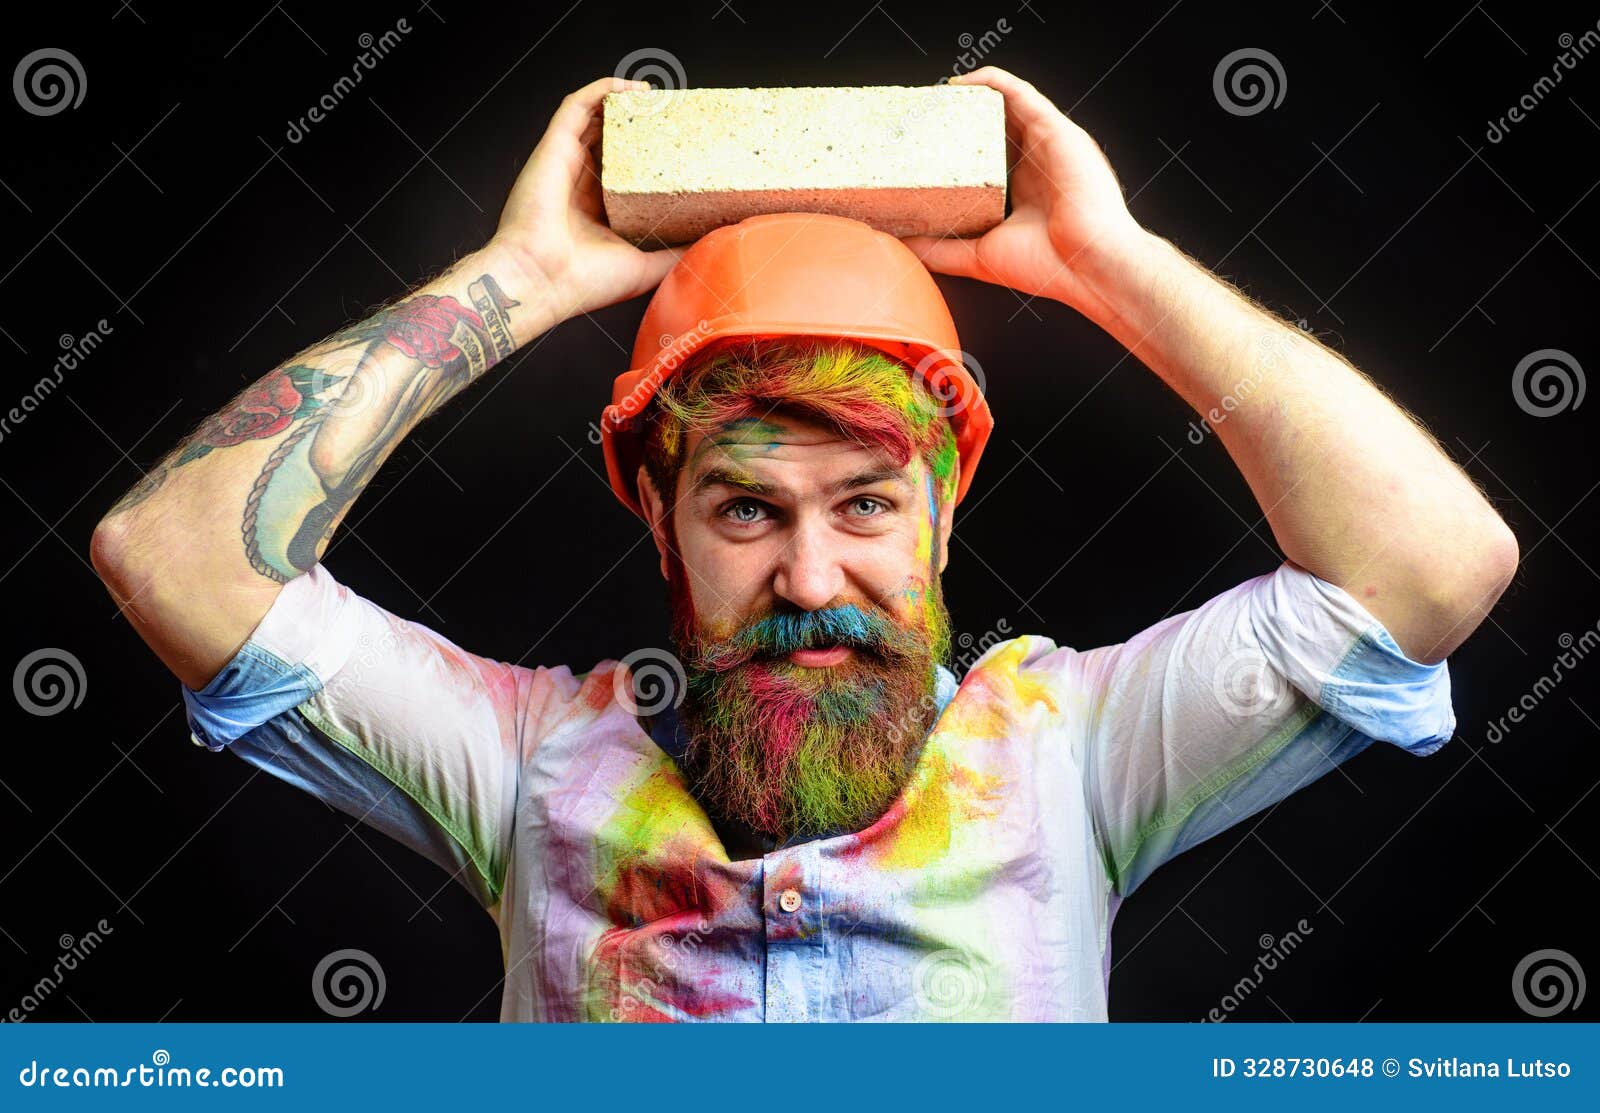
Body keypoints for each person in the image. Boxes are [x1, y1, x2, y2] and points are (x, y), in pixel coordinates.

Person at [90, 68, 1517, 1022]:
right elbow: (176, 556)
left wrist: (1106, 262)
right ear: (658, 514)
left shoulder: (1073, 752)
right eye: (746, 509)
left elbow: (1432, 565)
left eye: (868, 504)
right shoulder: (527, 770)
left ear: (944, 512)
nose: (812, 579)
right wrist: (515, 280)